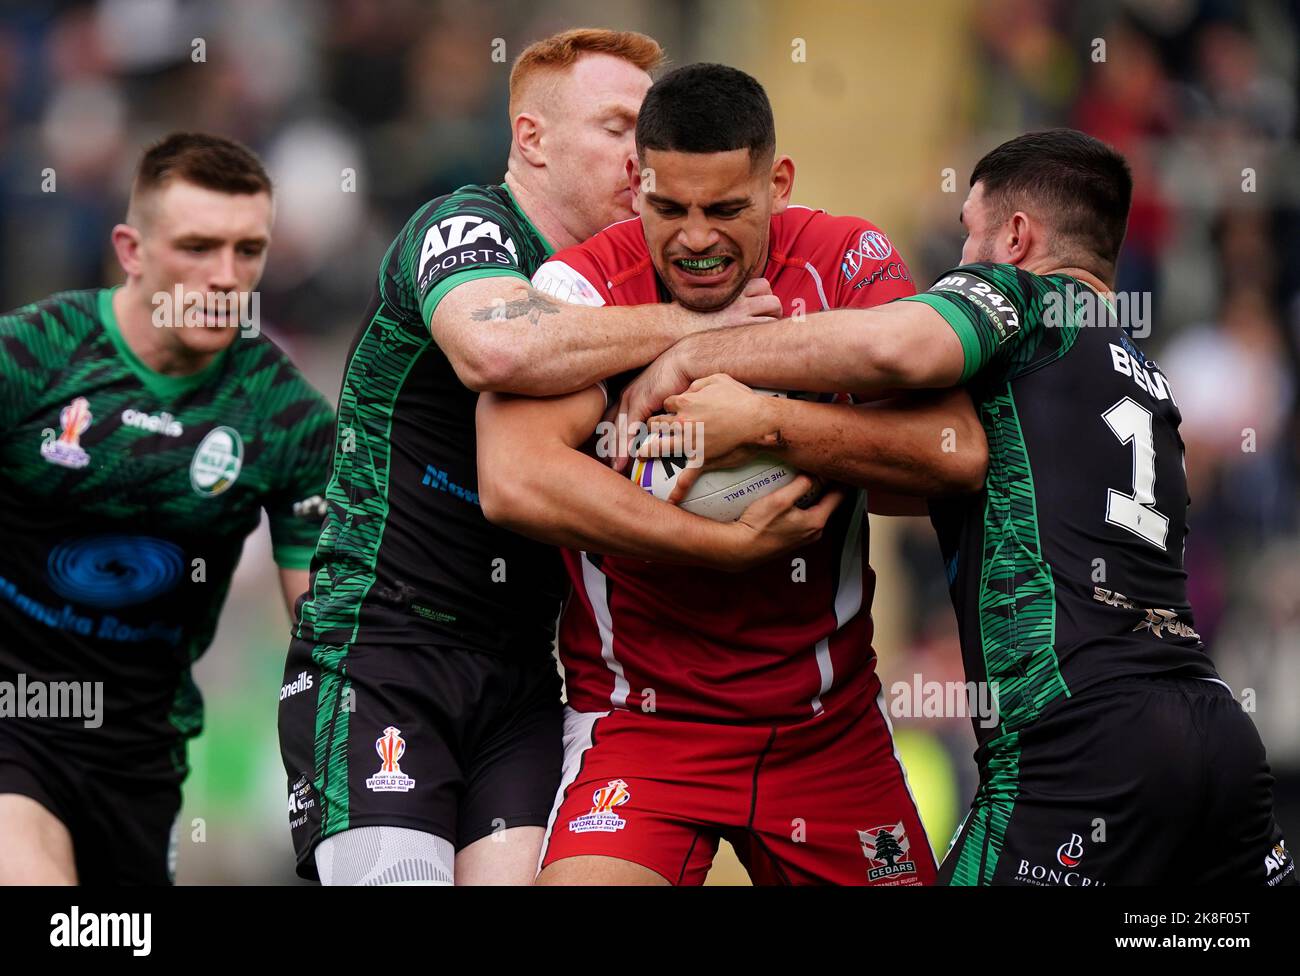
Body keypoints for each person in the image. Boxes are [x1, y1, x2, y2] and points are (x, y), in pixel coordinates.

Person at [616, 128, 1295, 886]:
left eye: (969, 232)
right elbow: (936, 476)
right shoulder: (1147, 382)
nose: (959, 260)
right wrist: (786, 444)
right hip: (1217, 738)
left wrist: (696, 351)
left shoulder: (1023, 292)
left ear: (1016, 235)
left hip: (1075, 739)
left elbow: (900, 349)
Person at [279, 30, 816, 888]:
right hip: (387, 650)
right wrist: (698, 332)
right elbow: (495, 349)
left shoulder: (638, 279)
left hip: (525, 670)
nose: (642, 164)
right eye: (617, 129)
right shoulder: (467, 225)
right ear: (531, 138)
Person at [476, 64, 987, 885]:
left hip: (826, 727)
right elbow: (514, 480)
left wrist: (767, 424)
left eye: (725, 209)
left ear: (777, 184)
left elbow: (954, 452)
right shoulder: (576, 289)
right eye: (668, 208)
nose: (696, 238)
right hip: (642, 726)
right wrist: (717, 546)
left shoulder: (846, 261)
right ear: (637, 183)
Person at [0, 132, 334, 884]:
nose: (225, 277)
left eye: (248, 251)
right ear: (131, 249)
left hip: (144, 750)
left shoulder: (287, 419)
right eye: (197, 247)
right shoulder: (31, 357)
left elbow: (328, 631)